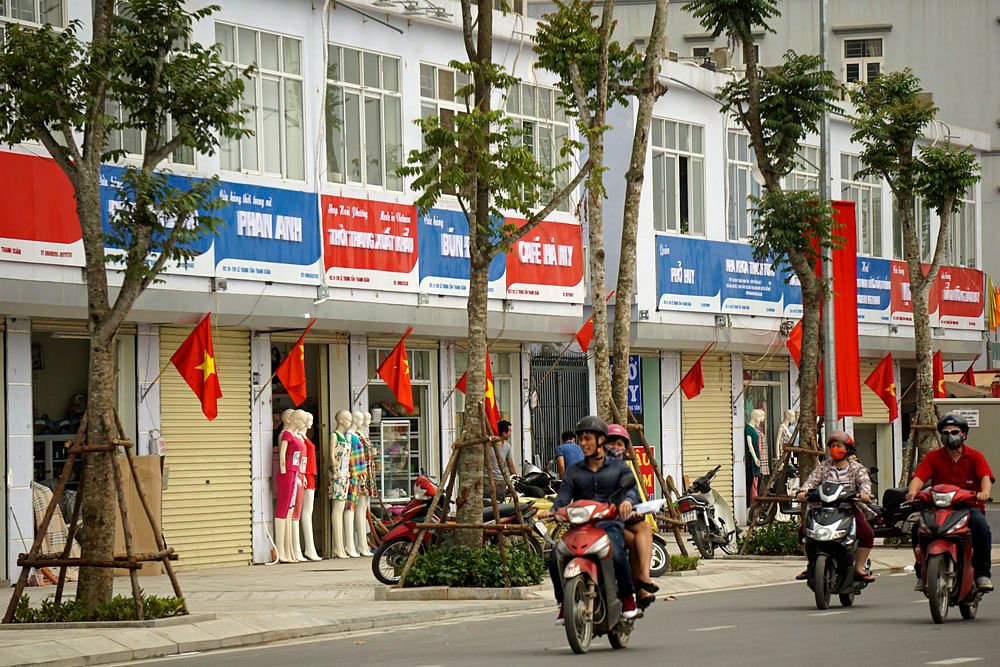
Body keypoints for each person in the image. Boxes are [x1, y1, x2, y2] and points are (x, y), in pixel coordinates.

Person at [540, 415, 639, 620]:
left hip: (609, 524)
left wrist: (627, 502)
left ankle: (628, 597)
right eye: (580, 439)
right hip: (580, 527)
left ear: (601, 440)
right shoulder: (574, 471)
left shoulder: (619, 468)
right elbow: (564, 497)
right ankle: (564, 603)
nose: (583, 443)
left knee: (618, 554)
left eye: (587, 438)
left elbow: (631, 491)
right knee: (553, 558)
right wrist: (553, 511)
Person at [906, 412, 994, 591]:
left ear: (964, 435)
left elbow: (985, 477)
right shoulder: (933, 457)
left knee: (981, 527)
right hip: (939, 508)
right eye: (945, 433)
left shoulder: (975, 456)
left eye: (955, 432)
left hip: (968, 508)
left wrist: (984, 492)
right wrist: (913, 491)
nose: (950, 436)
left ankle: (982, 574)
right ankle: (921, 572)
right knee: (917, 528)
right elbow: (919, 478)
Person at [794, 431, 875, 583]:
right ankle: (811, 564)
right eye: (832, 446)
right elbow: (811, 481)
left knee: (866, 532)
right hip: (821, 508)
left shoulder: (857, 468)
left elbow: (864, 483)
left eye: (839, 446)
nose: (835, 449)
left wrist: (864, 494)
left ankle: (858, 566)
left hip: (847, 509)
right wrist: (803, 491)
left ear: (848, 449)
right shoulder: (823, 467)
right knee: (802, 532)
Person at [603, 424, 659, 608]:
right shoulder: (590, 467)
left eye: (620, 444)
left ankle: (643, 579)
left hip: (620, 520)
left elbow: (631, 492)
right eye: (612, 444)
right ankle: (640, 586)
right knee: (635, 539)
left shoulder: (624, 470)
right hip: (598, 523)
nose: (616, 448)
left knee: (643, 526)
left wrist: (631, 508)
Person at [484, 419, 517, 498]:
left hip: (501, 482)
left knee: (500, 506)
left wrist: (516, 478)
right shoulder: (487, 444)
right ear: (504, 433)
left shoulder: (507, 446)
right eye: (510, 431)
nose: (510, 434)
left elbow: (511, 465)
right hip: (487, 481)